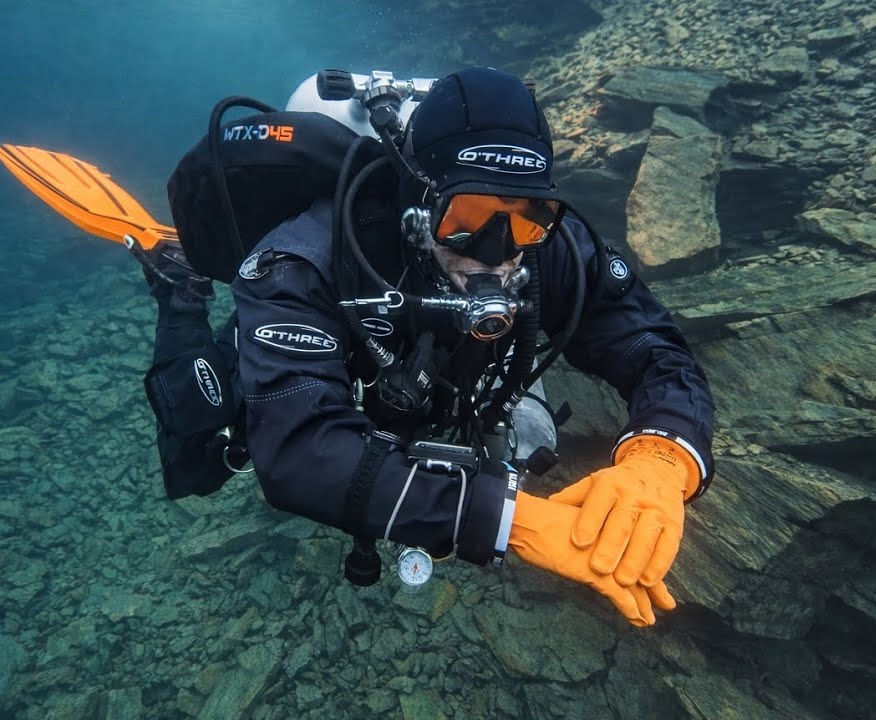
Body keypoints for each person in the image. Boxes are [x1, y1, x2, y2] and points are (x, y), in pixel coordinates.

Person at [143, 67, 715, 627]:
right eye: (469, 216)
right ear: (418, 200)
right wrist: (508, 521)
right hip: (337, 341)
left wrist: (661, 460)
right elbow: (298, 453)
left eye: (523, 219)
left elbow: (653, 349)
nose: (495, 249)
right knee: (201, 448)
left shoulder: (550, 246)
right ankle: (179, 291)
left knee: (526, 437)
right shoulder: (301, 259)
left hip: (430, 370)